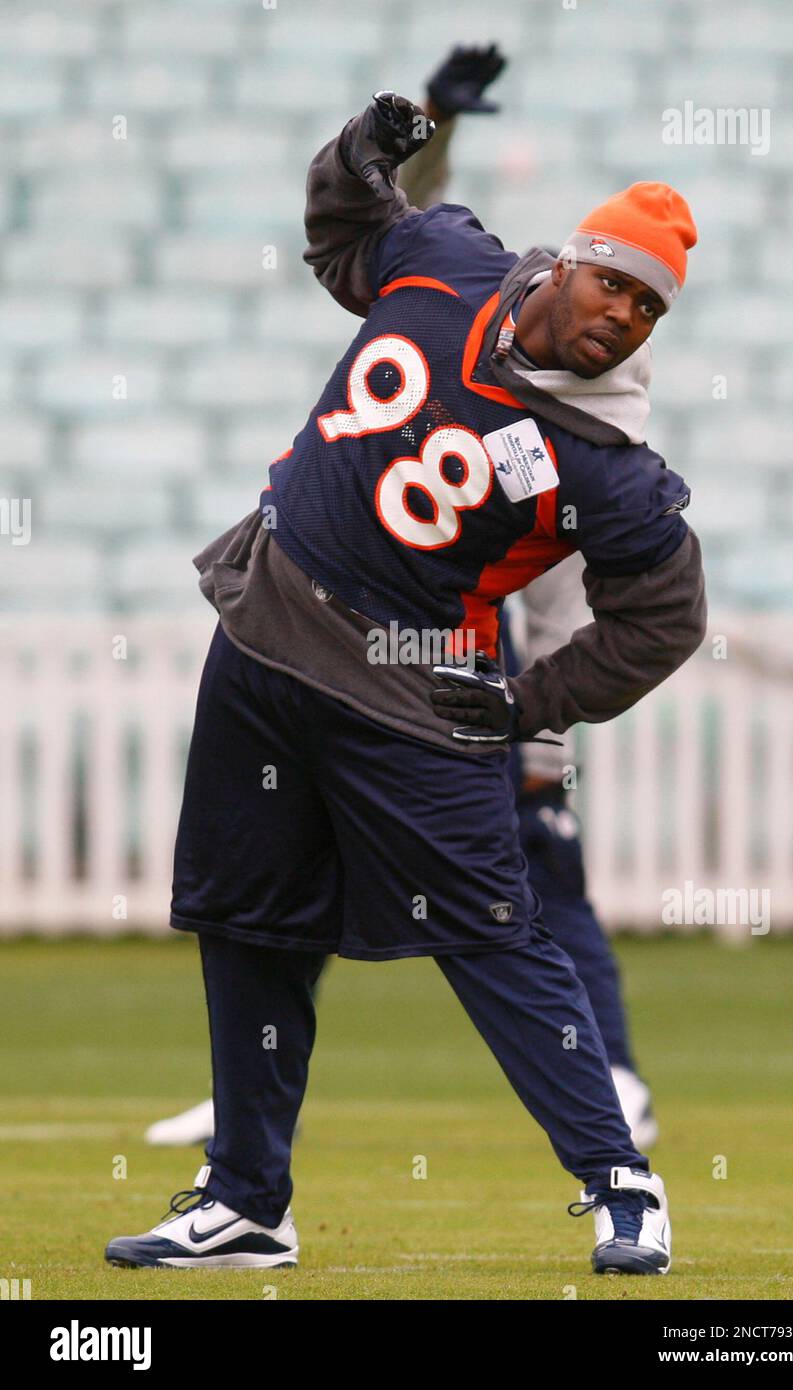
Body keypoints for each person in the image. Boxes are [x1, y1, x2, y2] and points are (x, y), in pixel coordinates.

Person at [106, 70, 704, 1277]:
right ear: (569, 265)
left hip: (405, 695)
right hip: (264, 635)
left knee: (495, 936)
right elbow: (342, 227)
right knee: (249, 921)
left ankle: (621, 1182)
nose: (622, 318)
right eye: (614, 283)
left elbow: (665, 619)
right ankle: (246, 1202)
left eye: (649, 308)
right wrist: (377, 134)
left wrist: (532, 703)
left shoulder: (606, 460)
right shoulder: (445, 259)